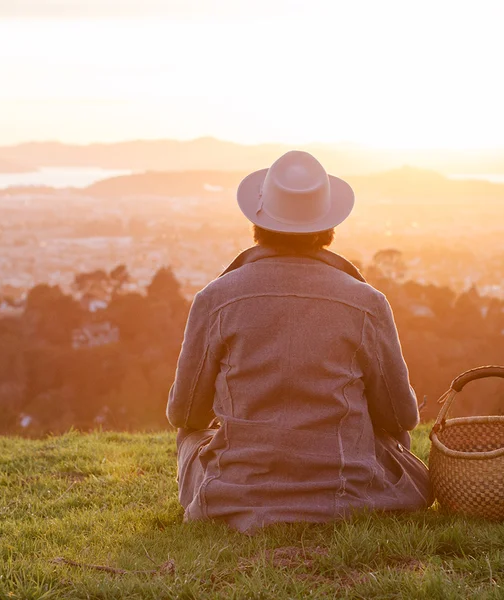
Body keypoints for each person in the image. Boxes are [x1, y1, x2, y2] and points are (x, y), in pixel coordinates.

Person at [167, 150, 432, 533]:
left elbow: (185, 414)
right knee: (396, 438)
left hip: (236, 492)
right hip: (349, 492)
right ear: (328, 227)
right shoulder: (367, 302)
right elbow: (400, 417)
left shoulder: (215, 298)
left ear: (258, 222)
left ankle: (237, 495)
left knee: (190, 437)